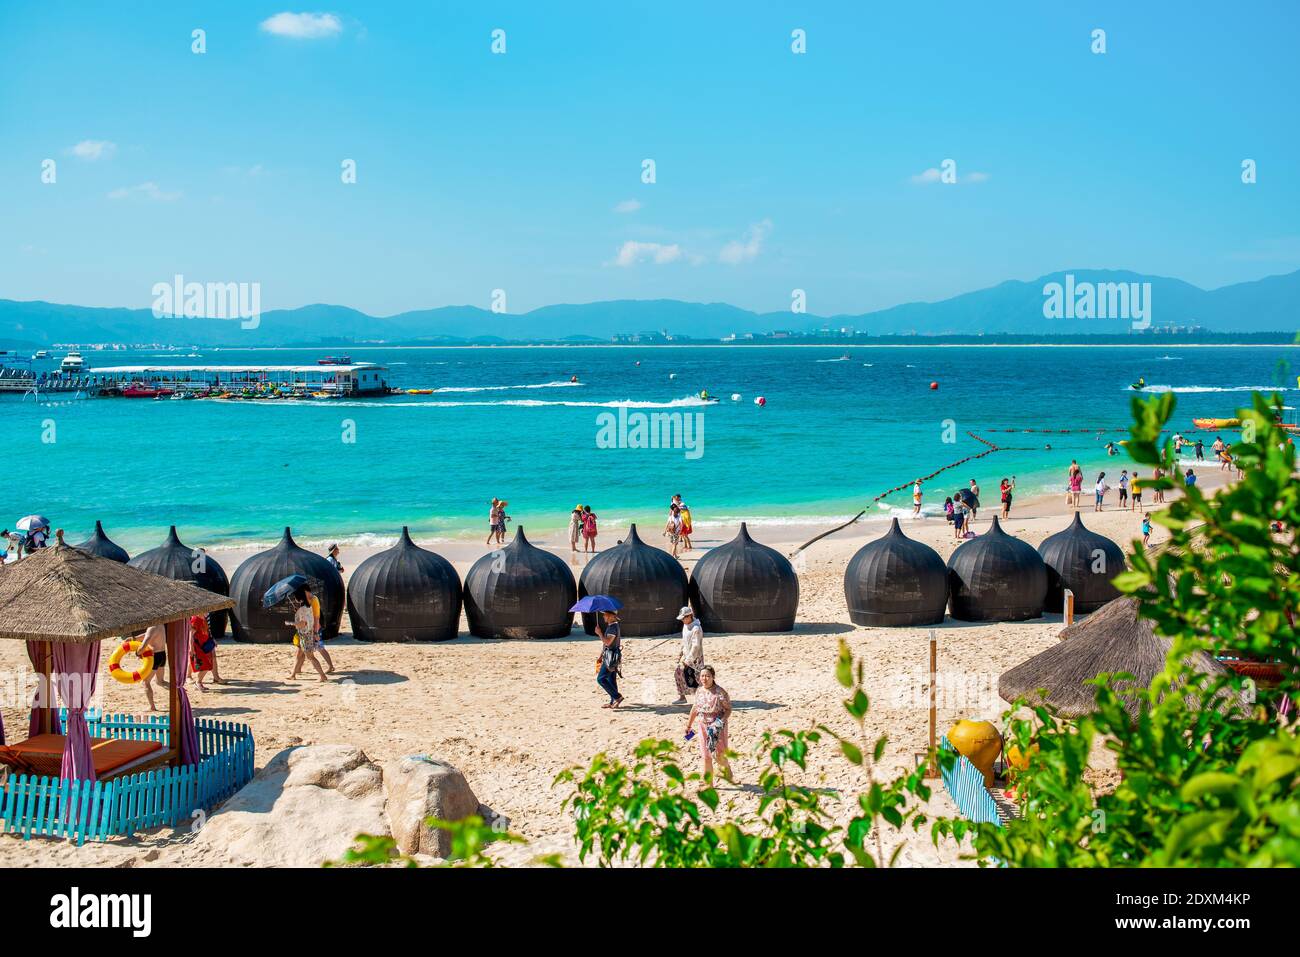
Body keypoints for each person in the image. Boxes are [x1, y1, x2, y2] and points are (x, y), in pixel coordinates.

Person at [685, 665, 732, 780]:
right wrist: (689, 725)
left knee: (719, 756)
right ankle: (709, 784)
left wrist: (720, 722)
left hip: (717, 727)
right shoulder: (699, 691)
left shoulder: (720, 692)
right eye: (702, 676)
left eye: (707, 676)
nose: (704, 679)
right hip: (703, 726)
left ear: (713, 677)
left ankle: (728, 771)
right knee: (706, 757)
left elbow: (728, 709)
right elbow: (695, 708)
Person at [288, 593, 328, 682]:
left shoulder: (302, 610)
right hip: (307, 634)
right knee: (299, 655)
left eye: (296, 599)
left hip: (305, 635)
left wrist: (291, 623)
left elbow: (303, 624)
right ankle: (293, 674)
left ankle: (322, 676)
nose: (295, 601)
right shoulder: (308, 607)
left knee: (311, 657)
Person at [301, 585, 335, 674]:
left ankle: (330, 666)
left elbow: (316, 618)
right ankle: (329, 666)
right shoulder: (308, 600)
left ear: (306, 591)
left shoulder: (314, 600)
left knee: (320, 648)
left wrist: (315, 632)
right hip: (312, 628)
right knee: (318, 648)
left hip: (316, 628)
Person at [674, 606, 704, 704]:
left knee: (695, 679)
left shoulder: (696, 628)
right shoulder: (685, 626)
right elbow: (684, 642)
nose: (682, 620)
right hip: (686, 656)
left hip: (695, 659)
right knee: (678, 673)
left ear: (689, 616)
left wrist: (689, 659)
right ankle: (682, 697)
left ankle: (699, 700)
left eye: (684, 618)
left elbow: (696, 646)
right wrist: (680, 654)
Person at [594, 610, 623, 708]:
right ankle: (613, 702)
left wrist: (599, 633)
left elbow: (608, 642)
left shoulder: (612, 628)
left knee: (601, 679)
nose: (603, 617)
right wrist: (601, 654)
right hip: (610, 655)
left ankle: (617, 697)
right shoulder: (613, 626)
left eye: (605, 615)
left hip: (611, 657)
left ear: (611, 616)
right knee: (611, 679)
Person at [139, 622, 169, 711]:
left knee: (145, 682)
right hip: (162, 654)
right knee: (160, 681)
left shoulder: (151, 627)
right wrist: (134, 638)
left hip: (155, 657)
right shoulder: (161, 625)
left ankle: (152, 707)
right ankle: (178, 689)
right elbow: (148, 634)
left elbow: (143, 646)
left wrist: (137, 653)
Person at [188, 614, 219, 691]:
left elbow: (207, 631)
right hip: (197, 648)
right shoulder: (195, 619)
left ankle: (199, 682)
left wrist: (212, 640)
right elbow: (191, 635)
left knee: (207, 665)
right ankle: (197, 682)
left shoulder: (204, 617)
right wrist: (191, 648)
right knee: (206, 666)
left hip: (204, 646)